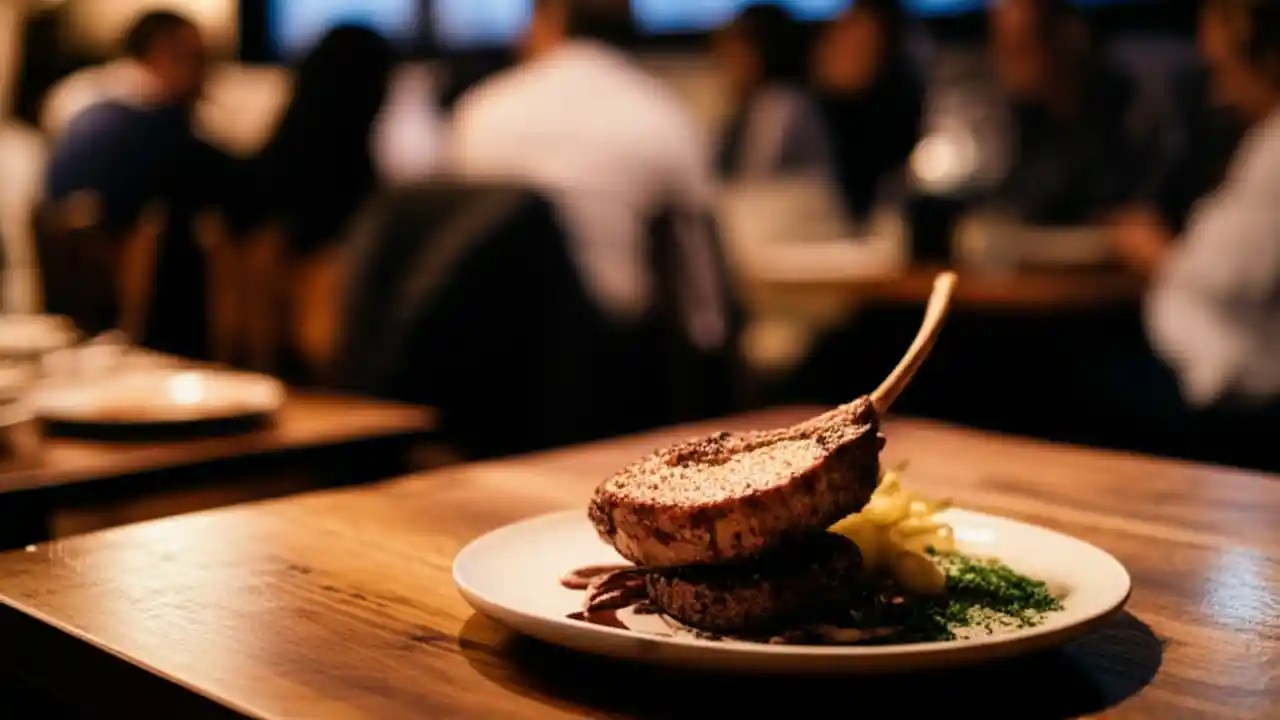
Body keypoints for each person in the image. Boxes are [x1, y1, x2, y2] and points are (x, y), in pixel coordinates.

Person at [447, 0, 714, 323]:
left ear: (551, 21)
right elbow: (700, 292)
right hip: (621, 339)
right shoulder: (665, 115)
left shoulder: (480, 110)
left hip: (497, 335)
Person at [1113, 0, 1280, 412]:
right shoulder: (1262, 142)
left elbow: (1232, 279)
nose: (1218, 93)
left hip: (1242, 395)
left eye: (1224, 69)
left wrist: (1154, 252)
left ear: (1269, 60)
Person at [43, 10, 237, 357]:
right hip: (136, 315)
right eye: (198, 59)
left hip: (70, 312)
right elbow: (239, 191)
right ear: (164, 54)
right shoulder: (159, 124)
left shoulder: (77, 100)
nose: (206, 74)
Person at [987, 0, 1151, 225]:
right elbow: (1018, 201)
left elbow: (1129, 221)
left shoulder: (1130, 114)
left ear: (1064, 39)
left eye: (1020, 48)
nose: (1004, 63)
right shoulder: (1032, 116)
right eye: (1000, 46)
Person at [811, 0, 924, 221]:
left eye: (862, 44)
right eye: (839, 37)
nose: (845, 50)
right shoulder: (799, 109)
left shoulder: (899, 117)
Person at [712, 3, 831, 180]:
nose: (724, 62)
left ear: (763, 53)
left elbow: (754, 182)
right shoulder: (754, 105)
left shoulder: (780, 105)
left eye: (734, 51)